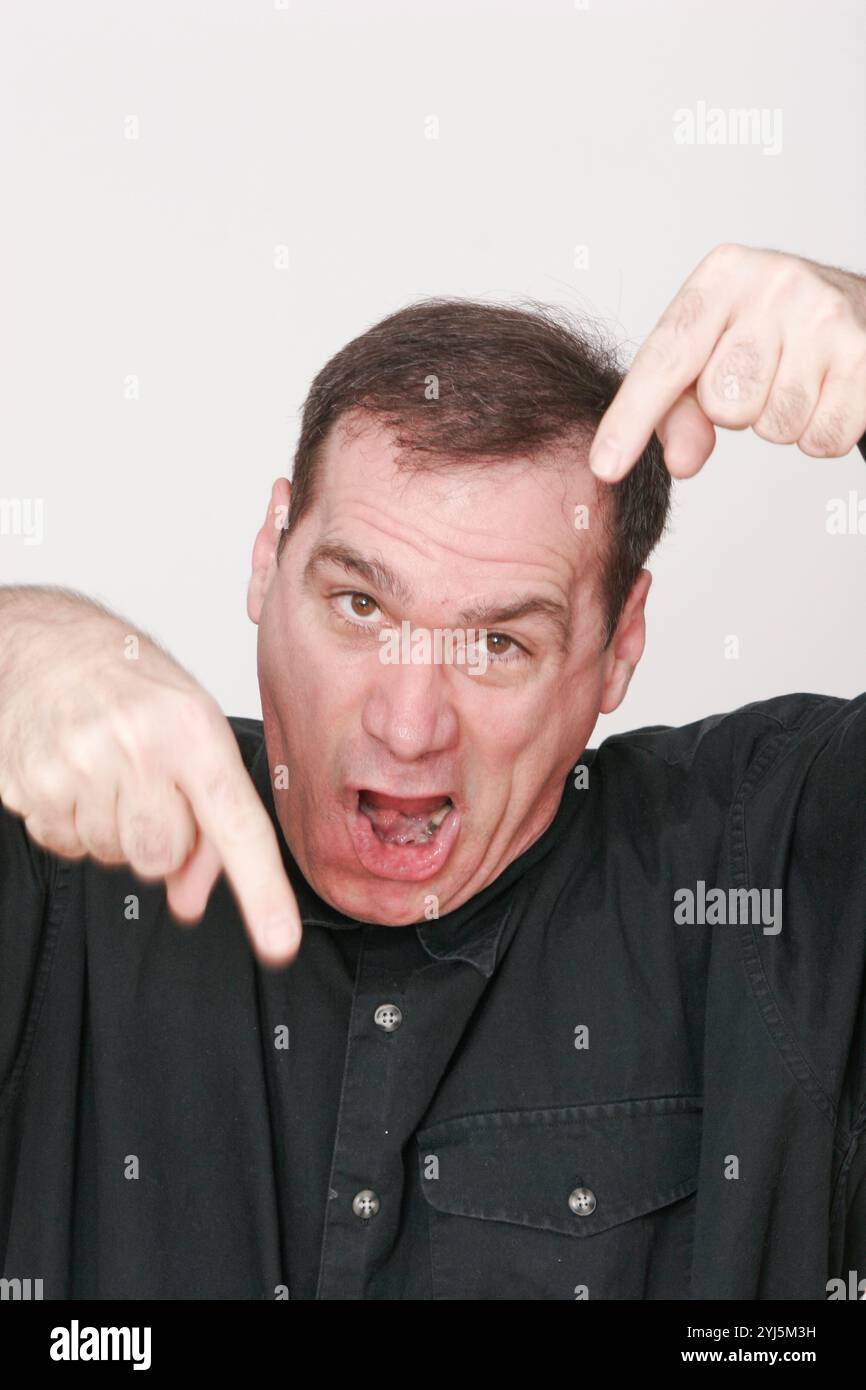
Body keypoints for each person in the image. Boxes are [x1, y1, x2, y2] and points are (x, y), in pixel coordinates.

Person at [1, 243, 865, 1300]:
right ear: (268, 554)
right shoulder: (56, 860)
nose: (407, 728)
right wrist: (15, 645)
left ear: (619, 644)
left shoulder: (769, 868)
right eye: (360, 605)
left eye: (497, 644)